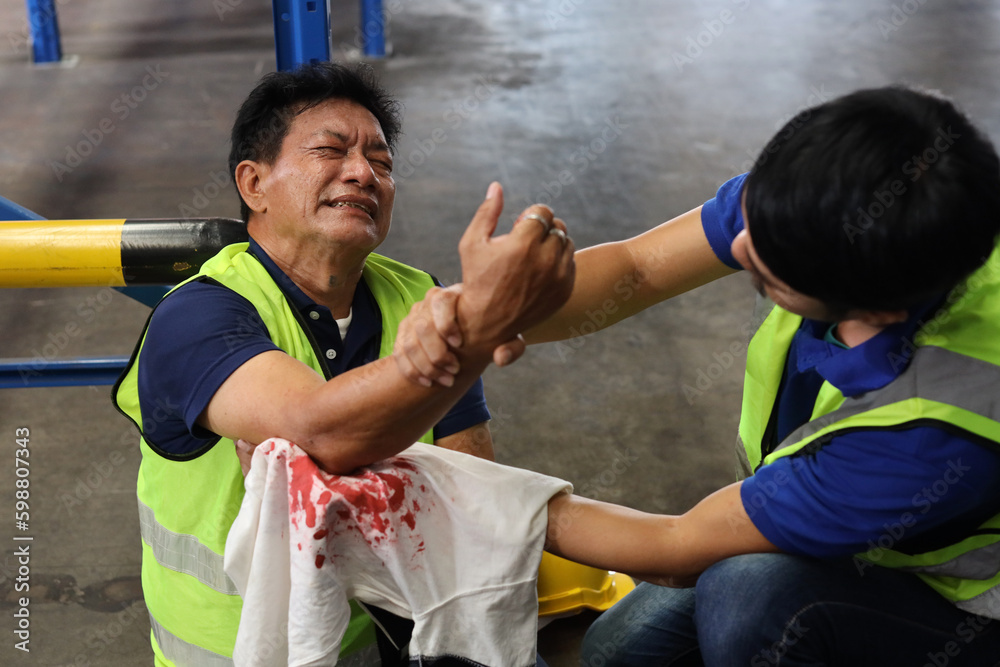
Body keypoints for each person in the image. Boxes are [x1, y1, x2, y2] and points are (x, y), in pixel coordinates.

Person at [395, 85, 1000, 664]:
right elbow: (637, 269)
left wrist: (480, 497)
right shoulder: (830, 198)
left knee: (747, 598)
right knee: (617, 651)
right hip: (840, 508)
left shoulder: (929, 435)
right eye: (749, 223)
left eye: (770, 273)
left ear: (877, 312)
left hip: (956, 600)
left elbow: (674, 550)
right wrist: (486, 311)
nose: (738, 249)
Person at [111, 62, 575, 666]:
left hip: (369, 639)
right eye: (331, 151)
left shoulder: (415, 295)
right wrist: (473, 332)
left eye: (381, 163)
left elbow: (470, 490)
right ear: (253, 184)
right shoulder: (198, 317)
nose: (363, 173)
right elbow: (318, 425)